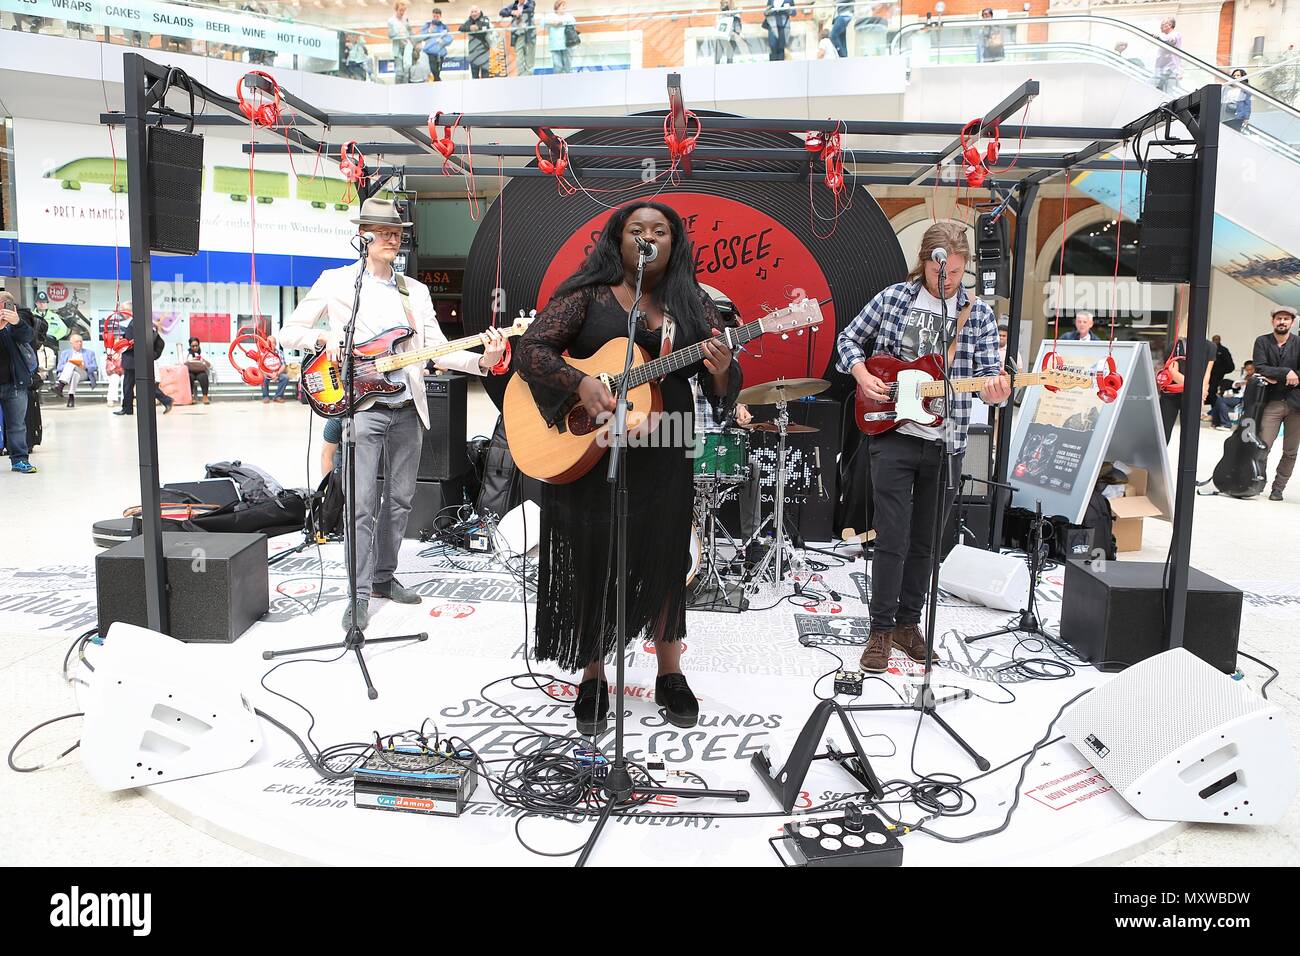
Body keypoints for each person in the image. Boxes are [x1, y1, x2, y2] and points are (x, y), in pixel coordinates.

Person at [513, 201, 741, 735]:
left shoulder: (694, 302)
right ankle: (593, 674)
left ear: (674, 242)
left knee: (664, 551)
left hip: (666, 436)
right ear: (618, 240)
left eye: (659, 230)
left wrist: (726, 369)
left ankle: (670, 672)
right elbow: (530, 352)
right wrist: (579, 383)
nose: (647, 237)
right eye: (636, 229)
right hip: (594, 444)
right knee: (593, 552)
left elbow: (720, 385)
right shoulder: (585, 296)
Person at [278, 198, 507, 630]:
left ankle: (383, 577)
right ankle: (358, 594)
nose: (392, 236)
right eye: (383, 230)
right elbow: (290, 332)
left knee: (399, 501)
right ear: (362, 233)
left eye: (398, 231)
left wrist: (484, 360)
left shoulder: (413, 292)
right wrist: (326, 339)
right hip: (361, 408)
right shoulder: (337, 282)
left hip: (406, 408)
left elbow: (437, 349)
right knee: (361, 505)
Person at [836, 221, 1011, 674]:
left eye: (955, 271)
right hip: (892, 433)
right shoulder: (895, 298)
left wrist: (996, 390)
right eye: (940, 270)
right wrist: (862, 375)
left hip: (946, 442)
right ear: (925, 262)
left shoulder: (979, 314)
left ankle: (908, 625)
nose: (946, 280)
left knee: (926, 542)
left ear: (965, 267)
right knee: (892, 536)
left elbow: (992, 377)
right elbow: (848, 340)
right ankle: (879, 628)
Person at [1252, 305, 1300, 501]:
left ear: (1292, 322)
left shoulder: (1299, 343)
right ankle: (1257, 482)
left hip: (1296, 404)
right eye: (1279, 318)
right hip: (1271, 402)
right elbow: (1260, 367)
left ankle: (1278, 488)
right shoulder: (1262, 342)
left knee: (1290, 451)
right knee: (1262, 446)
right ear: (1273, 321)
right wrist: (1287, 373)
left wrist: (1282, 374)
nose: (1282, 322)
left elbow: (1268, 371)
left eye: (1286, 319)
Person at [113, 304, 174, 417]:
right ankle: (128, 408)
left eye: (123, 310)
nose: (122, 312)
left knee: (130, 386)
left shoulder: (135, 323)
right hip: (134, 360)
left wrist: (121, 344)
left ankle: (128, 408)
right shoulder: (135, 323)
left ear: (130, 310)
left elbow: (134, 343)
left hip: (133, 361)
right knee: (136, 385)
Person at [0, 292, 37, 473]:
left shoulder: (18, 317)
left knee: (17, 425)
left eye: (6, 303)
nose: (3, 306)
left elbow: (28, 337)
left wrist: (16, 322)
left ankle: (20, 460)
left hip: (15, 383)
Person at [1158, 333, 1213, 443]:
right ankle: (1157, 458)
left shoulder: (1210, 347)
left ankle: (1188, 459)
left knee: (1190, 434)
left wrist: (1202, 391)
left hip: (1193, 395)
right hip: (1171, 395)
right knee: (1163, 431)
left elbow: (1207, 373)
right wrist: (1197, 388)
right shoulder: (1175, 346)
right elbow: (1172, 372)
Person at [52, 333, 99, 408]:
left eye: (81, 341)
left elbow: (95, 366)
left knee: (71, 363)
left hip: (84, 373)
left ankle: (60, 386)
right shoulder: (65, 353)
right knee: (74, 373)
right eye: (77, 341)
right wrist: (70, 364)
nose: (79, 343)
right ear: (72, 343)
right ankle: (71, 397)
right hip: (72, 374)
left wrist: (85, 366)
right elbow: (59, 367)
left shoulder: (89, 353)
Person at [1210, 361, 1254, 429]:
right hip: (1239, 395)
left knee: (1221, 401)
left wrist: (1246, 382)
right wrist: (1239, 383)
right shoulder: (1244, 376)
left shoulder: (1255, 377)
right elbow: (1235, 385)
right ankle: (1217, 423)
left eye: (1251, 369)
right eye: (1247, 370)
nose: (1249, 371)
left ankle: (1225, 423)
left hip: (1245, 398)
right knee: (1220, 401)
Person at [500, 1, 536, 76]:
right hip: (518, 35)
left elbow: (530, 9)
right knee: (519, 59)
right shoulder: (514, 5)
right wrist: (513, 12)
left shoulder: (530, 3)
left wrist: (520, 12)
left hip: (529, 35)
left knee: (530, 58)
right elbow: (502, 12)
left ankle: (529, 77)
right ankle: (522, 77)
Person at [460, 6, 495, 79]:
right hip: (473, 53)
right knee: (474, 76)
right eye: (472, 12)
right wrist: (470, 28)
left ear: (479, 12)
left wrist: (477, 28)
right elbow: (461, 28)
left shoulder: (485, 19)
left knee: (485, 75)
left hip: (484, 52)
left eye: (475, 11)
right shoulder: (468, 21)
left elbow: (486, 27)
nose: (473, 13)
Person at [544, 0, 576, 74]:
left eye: (565, 5)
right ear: (557, 7)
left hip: (567, 44)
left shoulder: (569, 16)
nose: (564, 7)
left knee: (568, 66)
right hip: (555, 45)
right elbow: (543, 22)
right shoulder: (550, 16)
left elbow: (573, 24)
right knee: (558, 66)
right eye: (563, 5)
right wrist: (552, 22)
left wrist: (562, 22)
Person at [1154, 17, 1182, 93]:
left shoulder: (1175, 34)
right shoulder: (1166, 35)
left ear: (1169, 25)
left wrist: (1159, 38)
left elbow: (1171, 40)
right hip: (1162, 67)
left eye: (1162, 24)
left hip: (1169, 67)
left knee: (1164, 89)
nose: (1160, 27)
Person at [388, 1, 415, 83]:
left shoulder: (405, 20)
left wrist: (409, 29)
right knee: (399, 72)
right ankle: (397, 91)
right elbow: (390, 35)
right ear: (396, 10)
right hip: (398, 48)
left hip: (407, 47)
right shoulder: (391, 21)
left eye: (403, 10)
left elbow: (410, 33)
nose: (402, 12)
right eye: (400, 10)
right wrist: (398, 34)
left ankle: (405, 91)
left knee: (407, 71)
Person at [260, 336, 290, 403]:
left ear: (275, 344)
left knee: (285, 377)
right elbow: (260, 367)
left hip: (277, 372)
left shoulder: (279, 352)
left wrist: (277, 374)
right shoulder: (263, 353)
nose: (270, 344)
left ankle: (278, 396)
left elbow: (283, 365)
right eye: (268, 342)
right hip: (267, 373)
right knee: (263, 378)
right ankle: (265, 397)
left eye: (272, 343)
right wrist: (270, 374)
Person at [714, 1, 742, 65]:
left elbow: (738, 28)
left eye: (726, 3)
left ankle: (729, 70)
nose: (725, 5)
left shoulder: (736, 14)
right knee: (717, 57)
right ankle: (716, 70)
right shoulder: (720, 15)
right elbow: (716, 26)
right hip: (721, 36)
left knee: (730, 57)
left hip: (731, 36)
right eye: (723, 3)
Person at [186, 337, 212, 405]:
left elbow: (210, 365)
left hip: (200, 371)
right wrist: (190, 361)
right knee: (189, 377)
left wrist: (203, 360)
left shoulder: (203, 353)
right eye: (193, 346)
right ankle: (191, 397)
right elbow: (182, 363)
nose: (195, 347)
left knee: (203, 376)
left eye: (196, 345)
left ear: (199, 345)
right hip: (190, 371)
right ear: (190, 346)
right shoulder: (186, 353)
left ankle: (205, 396)